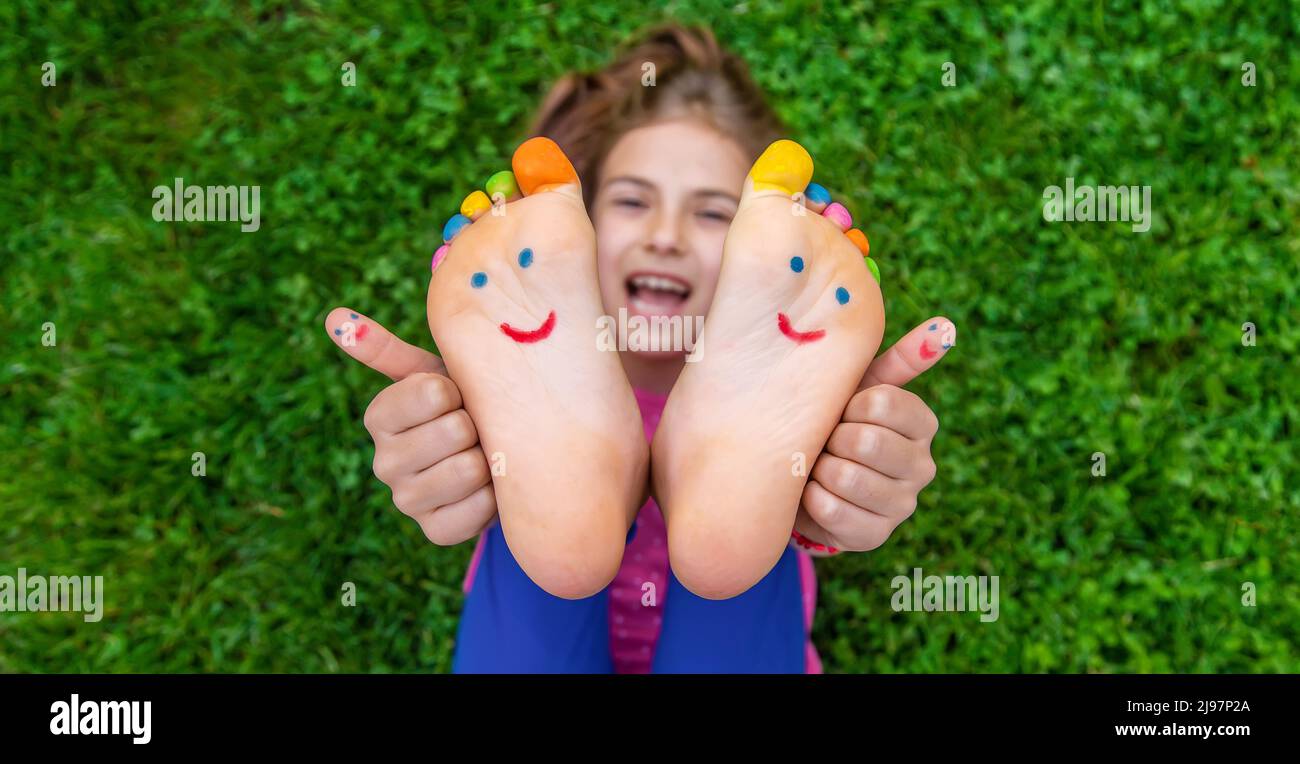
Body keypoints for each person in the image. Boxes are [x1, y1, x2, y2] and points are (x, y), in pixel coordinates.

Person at [325, 24, 952, 673]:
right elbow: (460, 462)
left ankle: (727, 490)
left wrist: (840, 472)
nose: (666, 235)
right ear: (583, 228)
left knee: (736, 531)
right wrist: (456, 441)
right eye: (631, 201)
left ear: (753, 256)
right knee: (554, 529)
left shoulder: (803, 400)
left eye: (713, 214)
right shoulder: (502, 390)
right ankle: (584, 487)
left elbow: (839, 490)